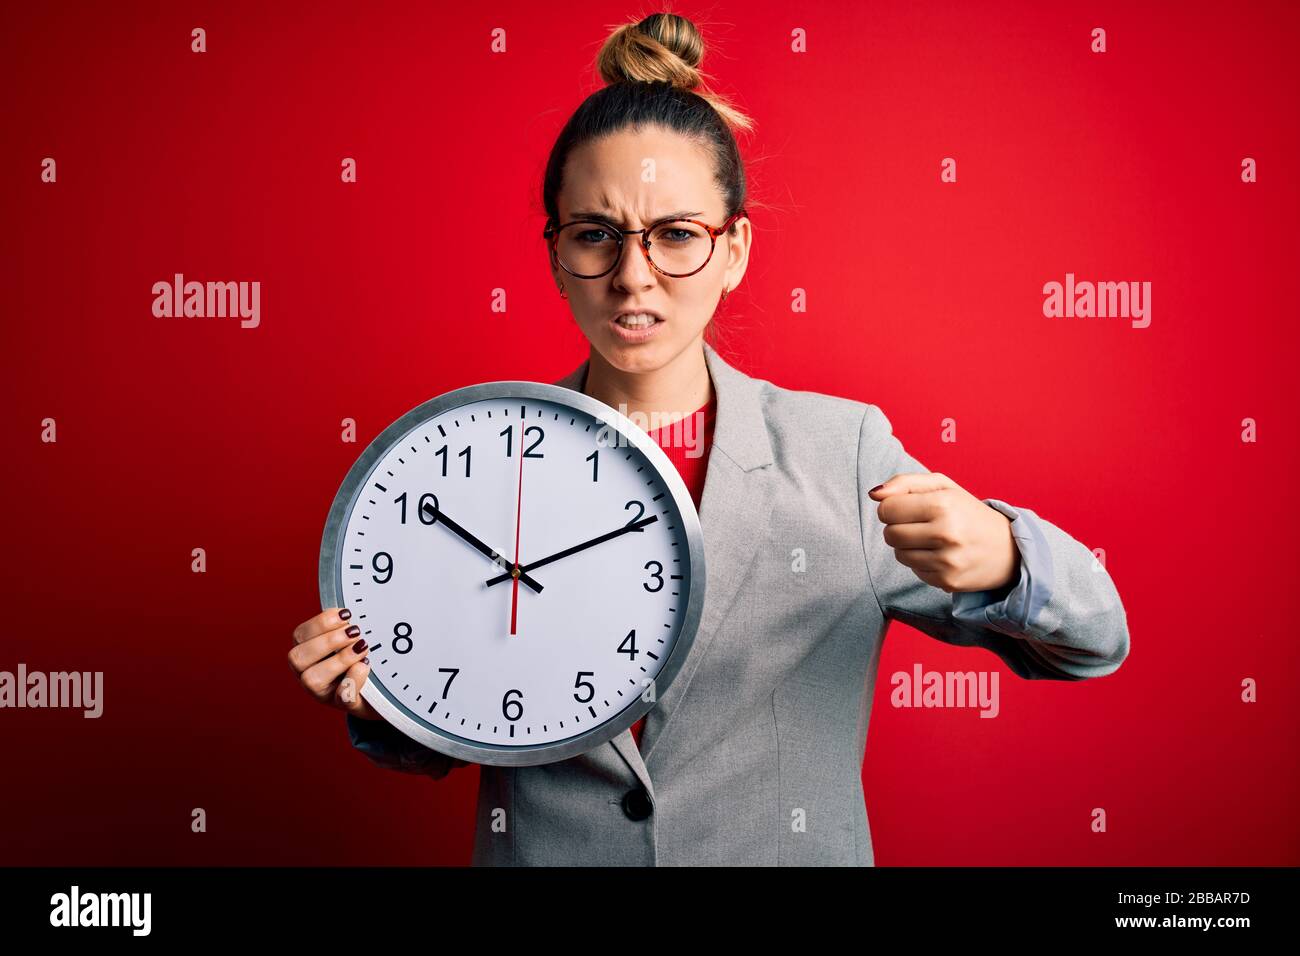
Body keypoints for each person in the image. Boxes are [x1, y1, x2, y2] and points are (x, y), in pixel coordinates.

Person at [288, 12, 1130, 865]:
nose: (633, 275)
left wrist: (1006, 558)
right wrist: (379, 704)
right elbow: (470, 722)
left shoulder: (841, 455)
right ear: (554, 256)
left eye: (677, 235)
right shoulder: (468, 466)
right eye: (595, 235)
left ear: (735, 251)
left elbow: (1095, 645)